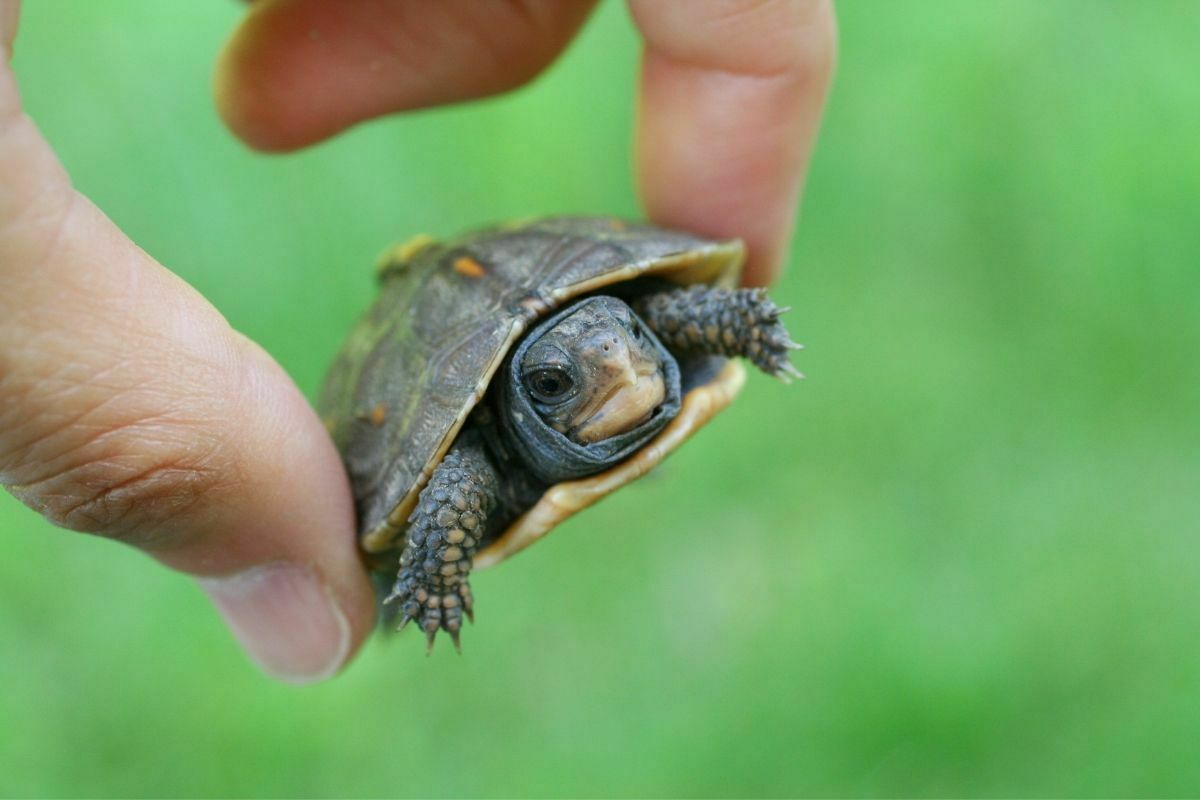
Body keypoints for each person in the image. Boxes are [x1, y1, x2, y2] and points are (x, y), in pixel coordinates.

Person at [0, 0, 835, 682]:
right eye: (554, 383)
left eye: (623, 341)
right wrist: (429, 580)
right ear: (520, 405)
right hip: (455, 429)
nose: (616, 366)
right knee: (453, 491)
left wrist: (742, 325)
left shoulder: (638, 335)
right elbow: (445, 491)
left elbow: (670, 312)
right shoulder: (475, 463)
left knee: (636, 326)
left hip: (564, 280)